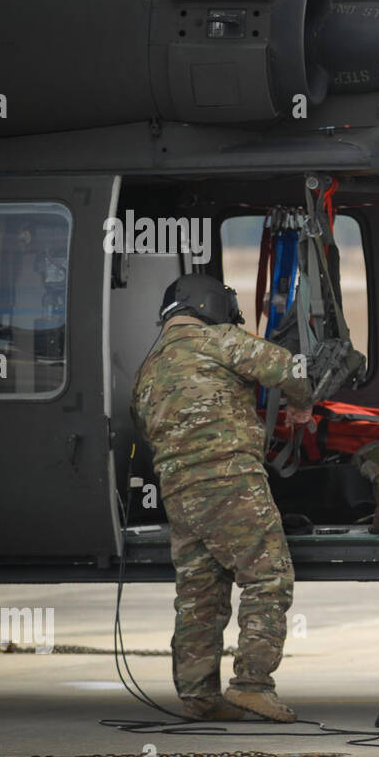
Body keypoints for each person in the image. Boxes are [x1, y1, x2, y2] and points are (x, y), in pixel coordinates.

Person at [131, 274, 314, 722]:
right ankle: (252, 684)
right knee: (268, 576)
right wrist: (301, 404)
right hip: (230, 480)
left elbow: (143, 426)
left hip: (179, 492)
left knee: (200, 592)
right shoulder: (219, 340)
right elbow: (289, 368)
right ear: (210, 304)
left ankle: (197, 695)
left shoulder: (149, 367)